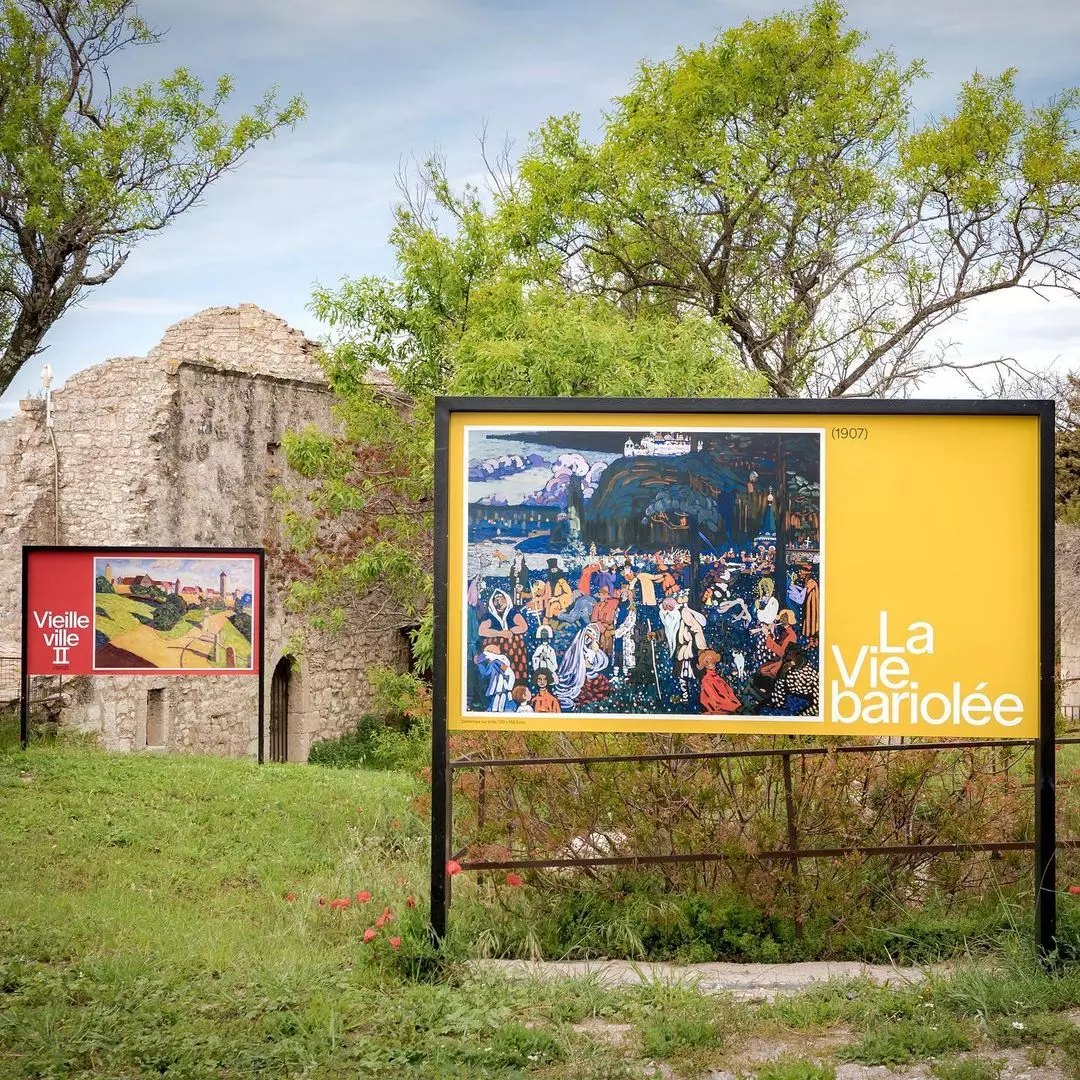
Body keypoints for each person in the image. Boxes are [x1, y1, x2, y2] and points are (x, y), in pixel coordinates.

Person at [554, 623, 611, 709]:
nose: (589, 638)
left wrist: (595, 652)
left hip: (589, 679)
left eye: (592, 637)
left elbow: (600, 664)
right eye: (587, 635)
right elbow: (569, 666)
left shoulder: (593, 651)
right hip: (576, 679)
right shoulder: (575, 650)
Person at [478, 588, 529, 682]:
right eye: (496, 600)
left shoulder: (513, 612)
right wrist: (500, 633)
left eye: (502, 600)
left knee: (515, 669)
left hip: (513, 650)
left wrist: (511, 631)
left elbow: (523, 627)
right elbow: (481, 631)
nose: (499, 603)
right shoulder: (490, 615)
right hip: (495, 649)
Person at [768, 645, 818, 715]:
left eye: (791, 654)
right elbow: (779, 689)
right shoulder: (786, 669)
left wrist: (804, 715)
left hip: (804, 707)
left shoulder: (811, 674)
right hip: (786, 703)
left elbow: (817, 702)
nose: (788, 656)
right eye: (788, 654)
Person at [697, 649, 741, 714]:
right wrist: (734, 706)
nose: (710, 662)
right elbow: (716, 700)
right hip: (720, 711)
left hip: (731, 708)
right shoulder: (706, 681)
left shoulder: (718, 678)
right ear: (703, 664)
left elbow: (729, 693)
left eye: (712, 659)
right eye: (706, 661)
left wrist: (737, 704)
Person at [474, 644, 514, 712]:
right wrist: (479, 664)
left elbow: (486, 673)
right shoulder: (495, 662)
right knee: (498, 702)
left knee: (499, 702)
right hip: (500, 688)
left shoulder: (496, 662)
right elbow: (486, 673)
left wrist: (478, 663)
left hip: (501, 687)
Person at [787, 563, 819, 646]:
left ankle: (811, 640)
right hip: (809, 606)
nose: (799, 572)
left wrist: (791, 591)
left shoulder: (811, 582)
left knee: (811, 623)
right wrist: (793, 586)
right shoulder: (808, 581)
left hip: (812, 608)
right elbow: (803, 590)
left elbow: (801, 597)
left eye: (801, 571)